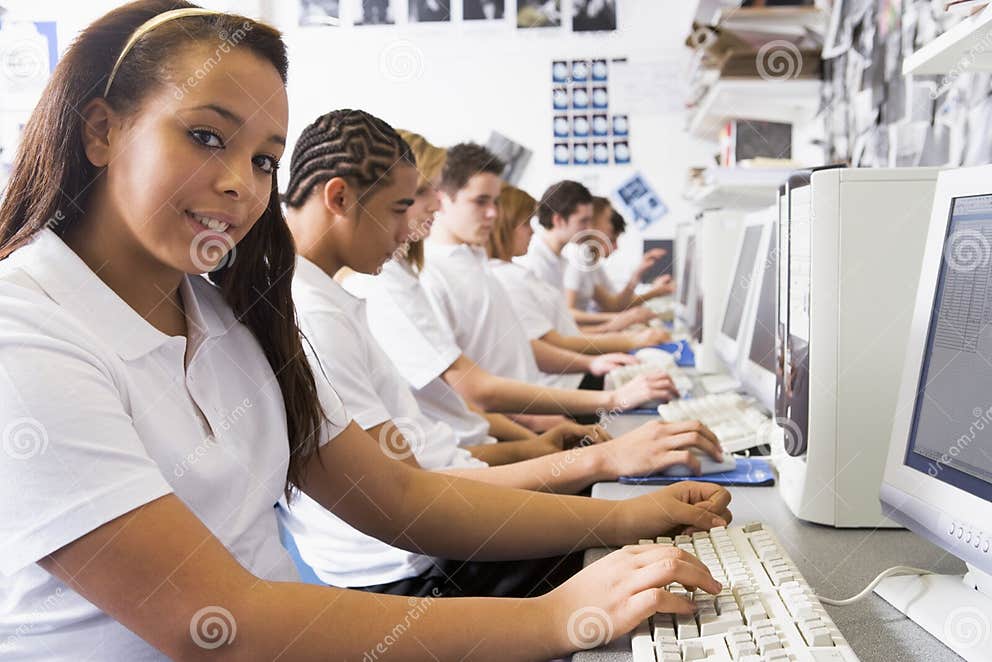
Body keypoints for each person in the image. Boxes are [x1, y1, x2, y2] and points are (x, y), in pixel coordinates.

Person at [0, 3, 730, 659]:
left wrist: (629, 515)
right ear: (101, 131)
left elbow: (400, 499)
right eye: (204, 136)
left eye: (262, 161)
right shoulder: (24, 331)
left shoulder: (226, 311)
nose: (240, 184)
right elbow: (215, 622)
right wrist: (555, 619)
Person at [282, 109, 725, 595]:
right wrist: (612, 489)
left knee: (647, 535)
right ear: (340, 197)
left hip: (440, 527)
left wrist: (538, 451)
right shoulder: (317, 313)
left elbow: (421, 457)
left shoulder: (334, 299)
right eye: (399, 207)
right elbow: (412, 500)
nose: (411, 221)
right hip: (420, 568)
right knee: (656, 557)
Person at [345, 131, 679, 434]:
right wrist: (607, 394)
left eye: (496, 202)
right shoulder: (418, 278)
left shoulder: (478, 264)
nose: (493, 213)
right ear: (445, 199)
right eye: (481, 201)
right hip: (518, 419)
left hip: (527, 413)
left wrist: (598, 362)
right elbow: (473, 390)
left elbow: (522, 346)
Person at [487, 183, 672, 386]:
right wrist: (624, 333)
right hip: (558, 379)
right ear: (559, 220)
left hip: (569, 369)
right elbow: (555, 338)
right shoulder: (531, 266)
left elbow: (574, 323)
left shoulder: (561, 261)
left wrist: (623, 327)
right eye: (583, 221)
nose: (589, 229)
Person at [565, 197, 675, 325]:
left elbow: (614, 305)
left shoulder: (590, 262)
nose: (609, 225)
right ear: (592, 222)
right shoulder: (577, 256)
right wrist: (621, 319)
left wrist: (637, 276)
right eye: (607, 220)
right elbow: (570, 314)